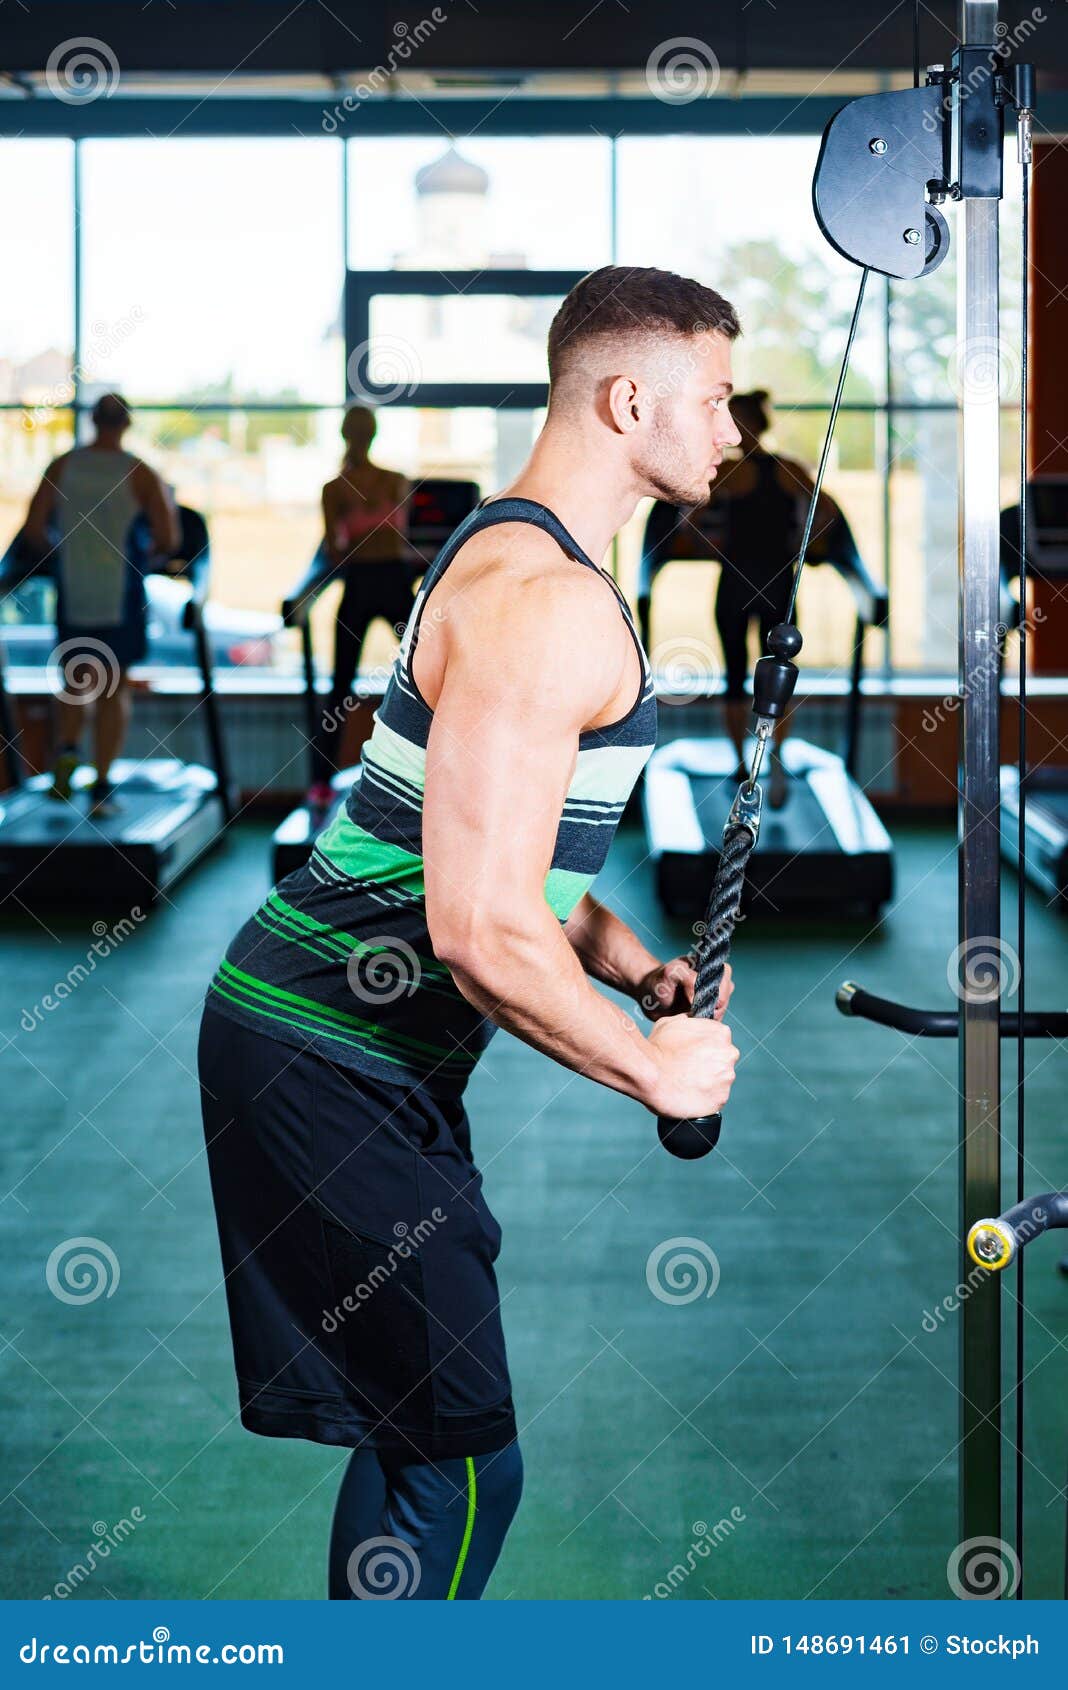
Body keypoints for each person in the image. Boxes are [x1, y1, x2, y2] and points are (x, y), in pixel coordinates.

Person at [197, 266, 741, 1601]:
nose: (732, 430)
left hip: (342, 1056)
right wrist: (650, 1064)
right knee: (459, 1460)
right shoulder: (546, 601)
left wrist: (627, 961)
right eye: (717, 398)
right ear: (630, 399)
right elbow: (481, 927)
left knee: (420, 1432)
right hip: (326, 1057)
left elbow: (505, 850)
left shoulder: (515, 551)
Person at [22, 393, 180, 817]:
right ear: (126, 424)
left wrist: (64, 554)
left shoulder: (63, 465)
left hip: (75, 590)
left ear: (92, 421)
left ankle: (68, 751)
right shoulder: (139, 472)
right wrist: (149, 556)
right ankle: (102, 787)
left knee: (75, 680)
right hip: (120, 592)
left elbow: (34, 528)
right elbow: (169, 538)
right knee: (113, 687)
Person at [702, 389, 838, 808]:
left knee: (744, 677)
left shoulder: (725, 473)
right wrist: (808, 546)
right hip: (775, 582)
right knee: (769, 677)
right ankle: (764, 765)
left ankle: (754, 767)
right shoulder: (788, 470)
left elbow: (689, 523)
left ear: (747, 425)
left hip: (746, 583)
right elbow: (828, 510)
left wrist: (713, 541)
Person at [309, 406, 412, 808]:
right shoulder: (392, 482)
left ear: (343, 435)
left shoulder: (338, 488)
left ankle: (320, 782)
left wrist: (356, 536)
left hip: (367, 582)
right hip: (389, 582)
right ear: (371, 434)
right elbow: (403, 535)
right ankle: (321, 782)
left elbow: (334, 550)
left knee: (340, 684)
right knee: (425, 675)